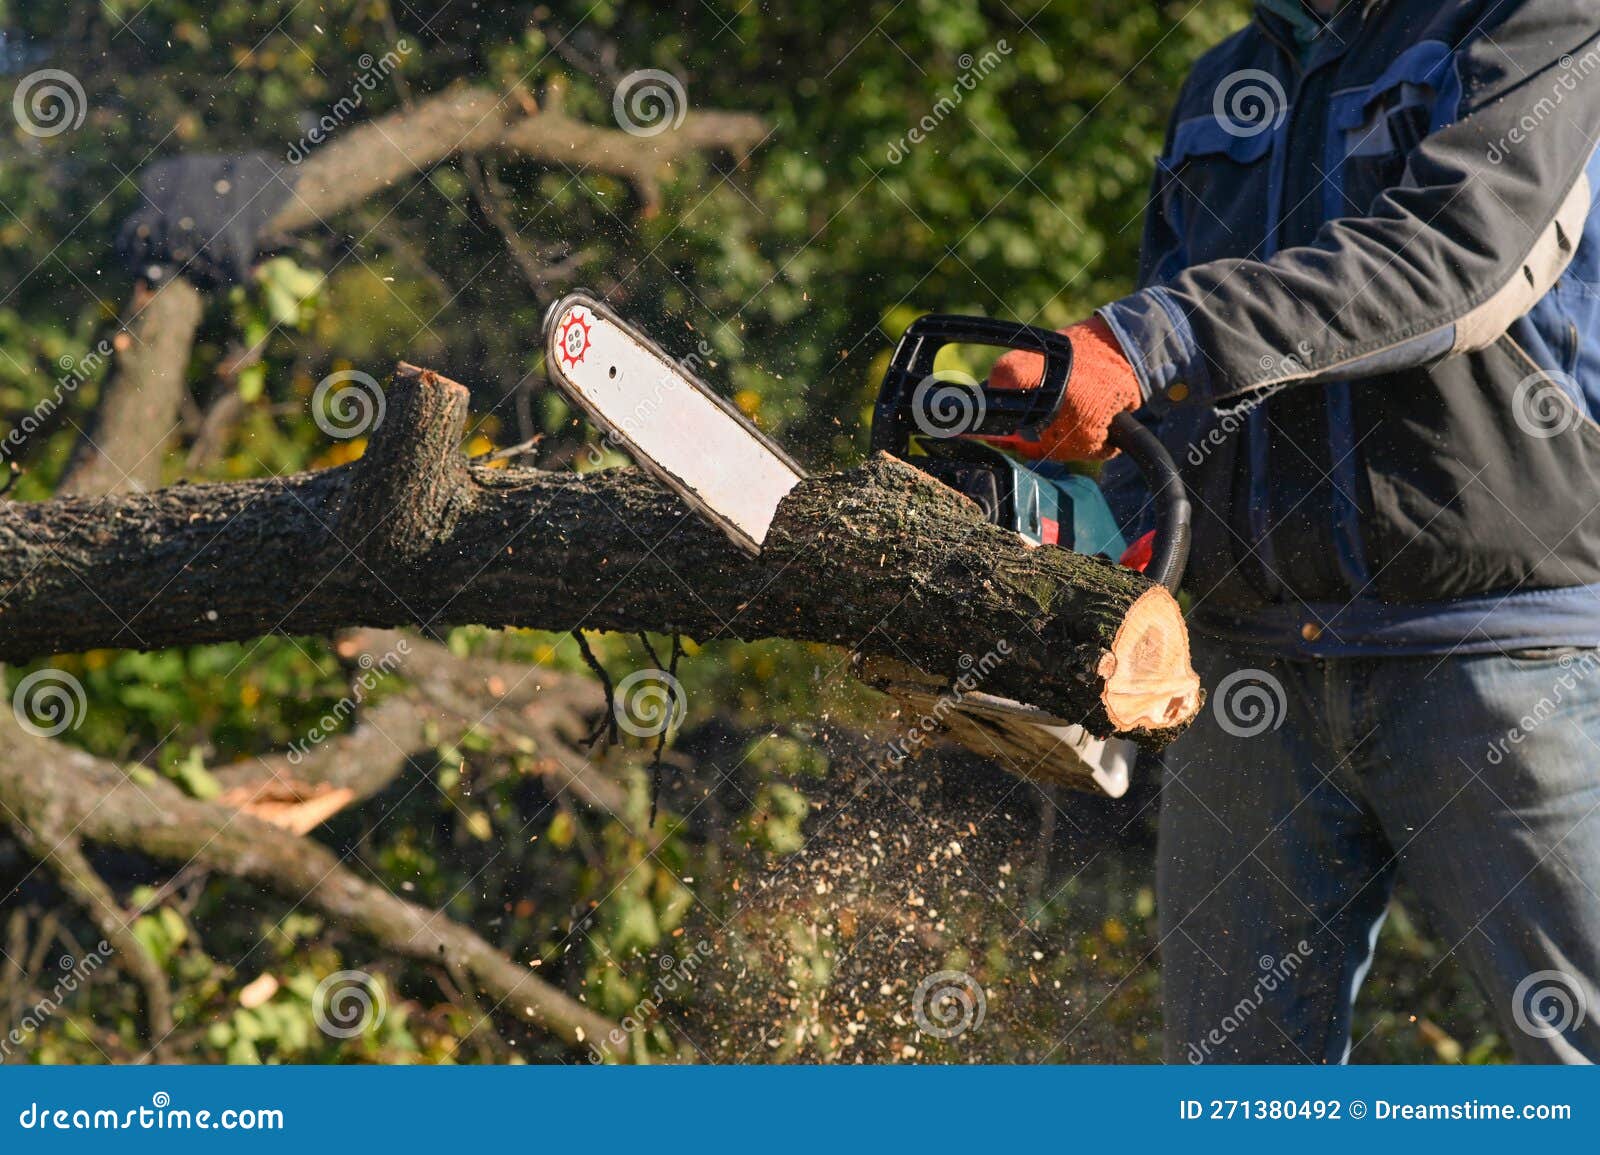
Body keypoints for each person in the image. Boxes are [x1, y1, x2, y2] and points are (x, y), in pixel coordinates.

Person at [983, 0, 1600, 1063]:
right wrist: (1126, 547)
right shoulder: (1228, 79)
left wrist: (1151, 336)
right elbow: (1160, 387)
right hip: (1251, 670)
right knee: (1234, 1090)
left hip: (1502, 647)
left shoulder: (1536, 23)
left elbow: (1460, 263)